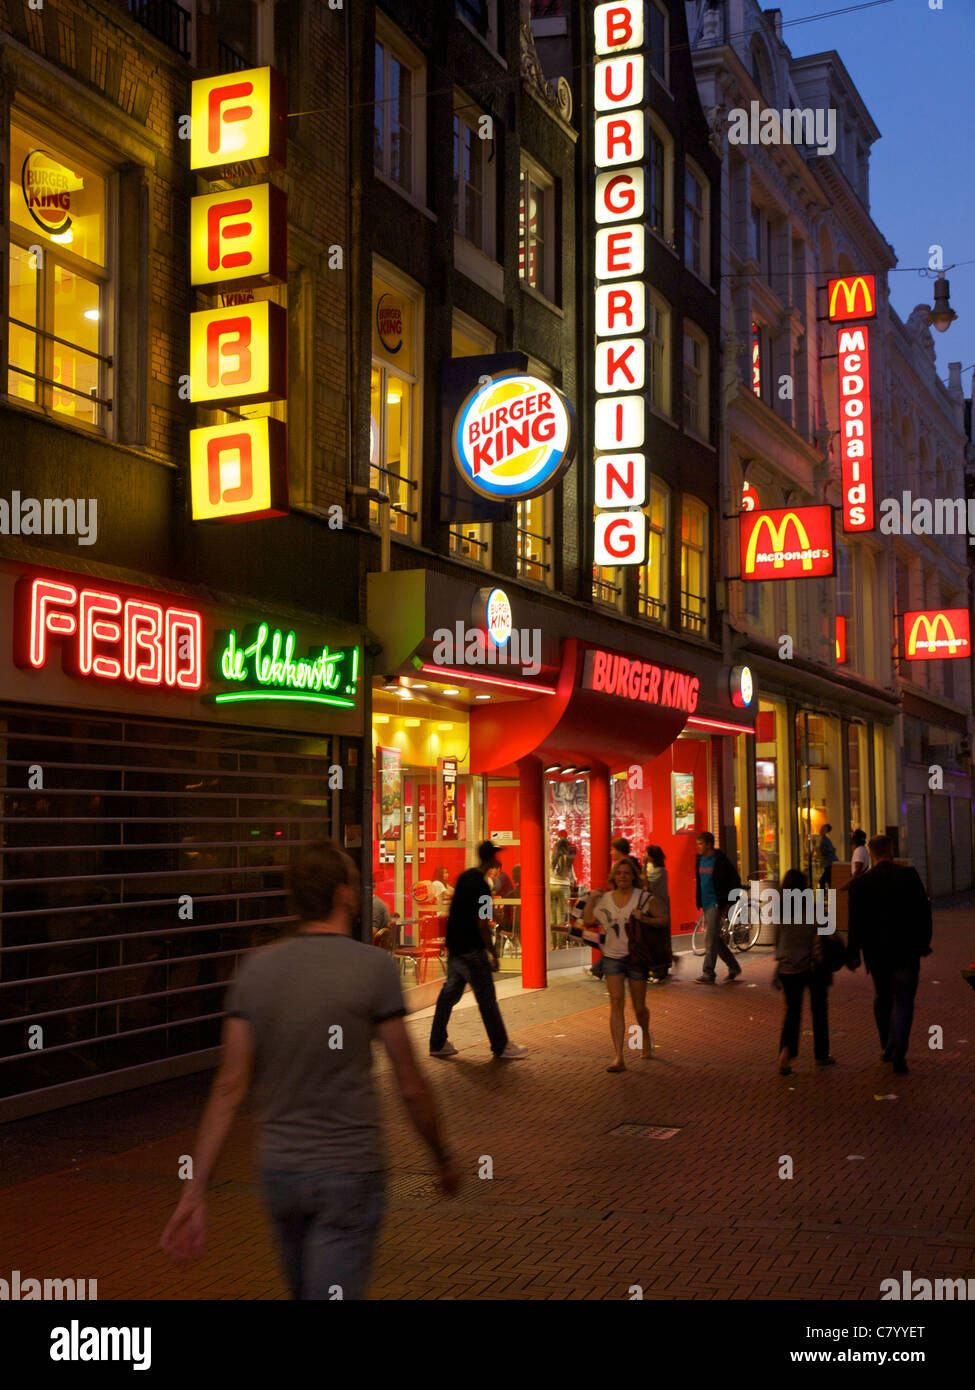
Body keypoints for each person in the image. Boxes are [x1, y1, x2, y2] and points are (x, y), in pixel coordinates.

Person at [160, 841, 458, 1299]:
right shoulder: (373, 968)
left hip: (281, 1173)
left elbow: (228, 1086)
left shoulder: (257, 971)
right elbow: (410, 1082)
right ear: (343, 894)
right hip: (349, 1171)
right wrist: (441, 1158)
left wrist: (194, 1191)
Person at [429, 841, 528, 1061]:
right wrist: (492, 952)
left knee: (449, 995)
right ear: (492, 861)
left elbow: (454, 910)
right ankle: (500, 1046)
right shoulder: (483, 887)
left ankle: (437, 1042)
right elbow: (483, 921)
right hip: (472, 950)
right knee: (487, 998)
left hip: (456, 947)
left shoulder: (464, 878)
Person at [847, 834, 933, 1074]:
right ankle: (899, 1050)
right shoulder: (908, 876)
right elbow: (924, 911)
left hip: (877, 954)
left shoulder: (861, 884)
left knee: (883, 997)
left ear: (872, 854)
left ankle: (887, 1044)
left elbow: (855, 923)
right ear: (891, 850)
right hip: (906, 951)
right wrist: (924, 942)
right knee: (904, 1001)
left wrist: (853, 953)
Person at [584, 855, 665, 1072]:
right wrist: (592, 899)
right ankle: (619, 1056)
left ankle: (645, 1035)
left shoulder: (643, 898)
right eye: (619, 873)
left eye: (626, 873)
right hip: (612, 958)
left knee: (639, 1007)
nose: (622, 877)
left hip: (636, 958)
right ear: (614, 877)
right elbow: (589, 921)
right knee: (616, 1001)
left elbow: (663, 919)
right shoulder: (607, 898)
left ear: (633, 876)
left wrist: (644, 918)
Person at [773, 869, 835, 1075]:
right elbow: (827, 929)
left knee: (792, 1012)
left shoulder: (779, 908)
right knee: (818, 1009)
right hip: (811, 965)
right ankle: (821, 1054)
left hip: (787, 967)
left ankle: (786, 1052)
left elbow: (777, 939)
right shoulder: (811, 908)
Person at [694, 831, 743, 984]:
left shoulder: (720, 861)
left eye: (701, 844)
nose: (698, 847)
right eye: (698, 844)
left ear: (709, 844)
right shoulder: (699, 860)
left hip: (716, 904)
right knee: (715, 939)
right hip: (706, 904)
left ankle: (708, 973)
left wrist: (729, 903)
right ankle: (734, 967)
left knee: (710, 939)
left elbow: (735, 880)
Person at [643, 845, 672, 983]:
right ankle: (662, 967)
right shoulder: (659, 870)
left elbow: (647, 886)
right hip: (657, 907)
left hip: (658, 908)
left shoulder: (659, 871)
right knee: (659, 940)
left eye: (646, 854)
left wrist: (642, 866)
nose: (644, 856)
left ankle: (660, 970)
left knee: (658, 940)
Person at [818, 823, 839, 888]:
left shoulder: (824, 841)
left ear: (826, 831)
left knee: (823, 881)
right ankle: (831, 897)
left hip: (829, 864)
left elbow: (822, 853)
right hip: (830, 863)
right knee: (829, 881)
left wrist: (814, 846)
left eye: (823, 829)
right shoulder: (825, 840)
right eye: (822, 828)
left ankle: (821, 897)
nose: (821, 830)